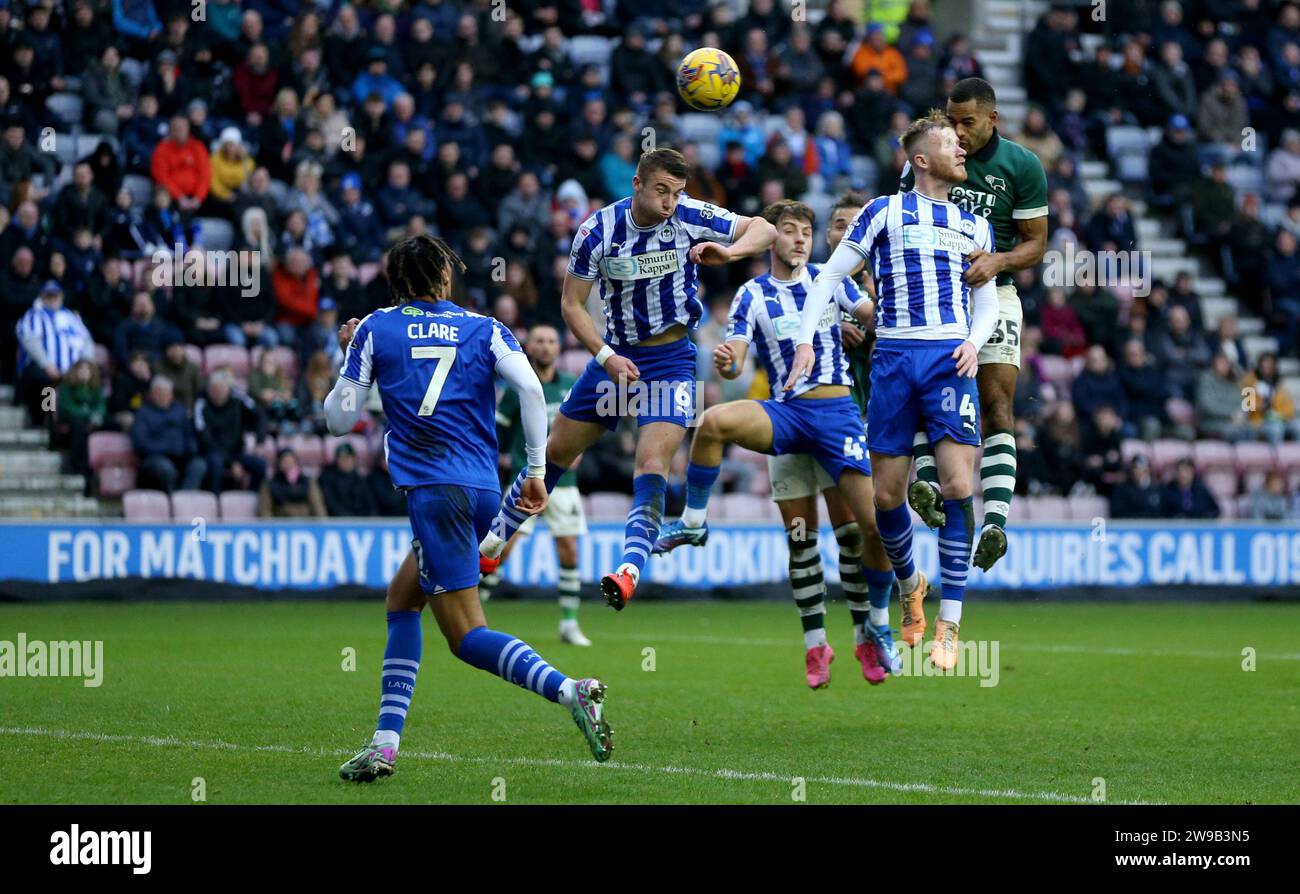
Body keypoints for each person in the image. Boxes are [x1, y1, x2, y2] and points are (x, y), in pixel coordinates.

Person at [322, 234, 613, 781]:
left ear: (396, 283)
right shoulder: (486, 326)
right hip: (482, 491)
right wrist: (531, 470)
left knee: (466, 638)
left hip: (434, 495)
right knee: (402, 600)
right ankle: (384, 743)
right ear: (445, 279)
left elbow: (338, 421)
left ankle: (571, 692)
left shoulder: (373, 328)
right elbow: (530, 390)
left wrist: (348, 356)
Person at [477, 148, 777, 611]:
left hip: (674, 361)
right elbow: (571, 305)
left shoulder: (690, 215)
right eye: (661, 190)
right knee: (555, 453)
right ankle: (492, 544)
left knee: (651, 465)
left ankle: (630, 569)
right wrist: (605, 356)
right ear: (636, 184)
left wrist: (731, 251)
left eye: (676, 193)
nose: (670, 202)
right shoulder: (597, 231)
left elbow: (766, 228)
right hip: (615, 359)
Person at [655, 200, 901, 689]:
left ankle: (872, 627)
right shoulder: (752, 295)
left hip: (835, 417)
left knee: (869, 531)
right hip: (787, 416)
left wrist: (881, 311)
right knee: (719, 431)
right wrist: (726, 363)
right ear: (773, 240)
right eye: (789, 231)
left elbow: (872, 314)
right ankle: (814, 645)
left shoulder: (831, 279)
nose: (799, 240)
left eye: (805, 232)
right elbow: (736, 359)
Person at [787, 109, 998, 670]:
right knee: (885, 499)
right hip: (894, 359)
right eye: (952, 142)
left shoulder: (975, 226)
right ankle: (911, 584)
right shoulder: (883, 213)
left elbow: (988, 299)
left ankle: (949, 624)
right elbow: (830, 276)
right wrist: (806, 341)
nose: (963, 149)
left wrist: (976, 342)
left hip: (950, 357)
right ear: (921, 159)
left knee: (956, 485)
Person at [899, 78, 1049, 573]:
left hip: (995, 293)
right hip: (935, 297)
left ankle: (997, 522)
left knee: (998, 402)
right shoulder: (930, 159)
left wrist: (998, 261)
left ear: (993, 120)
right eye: (951, 120)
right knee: (925, 393)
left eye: (967, 122)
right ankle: (926, 484)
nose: (957, 132)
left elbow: (1037, 244)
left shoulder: (1022, 166)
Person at [480, 324, 593, 647]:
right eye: (539, 340)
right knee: (501, 548)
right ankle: (476, 613)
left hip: (564, 481)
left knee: (569, 549)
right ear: (529, 347)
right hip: (524, 478)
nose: (545, 346)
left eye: (551, 340)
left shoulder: (572, 386)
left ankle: (570, 623)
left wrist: (579, 451)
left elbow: (586, 428)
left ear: (559, 348)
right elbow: (496, 432)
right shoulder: (518, 388)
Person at [14, 281, 95, 427]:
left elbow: (86, 341)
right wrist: (47, 365)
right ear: (42, 297)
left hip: (74, 370)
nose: (52, 299)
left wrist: (86, 366)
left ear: (61, 296)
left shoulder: (71, 317)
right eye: (49, 296)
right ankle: (42, 420)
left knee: (91, 380)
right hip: (46, 369)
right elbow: (29, 341)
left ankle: (75, 423)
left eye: (55, 295)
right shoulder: (33, 315)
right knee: (42, 382)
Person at [130, 375, 206, 493]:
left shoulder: (180, 411)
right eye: (160, 393)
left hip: (181, 456)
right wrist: (167, 448)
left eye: (167, 393)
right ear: (152, 394)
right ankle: (172, 499)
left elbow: (189, 435)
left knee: (199, 465)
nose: (164, 397)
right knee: (165, 468)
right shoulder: (143, 413)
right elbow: (140, 443)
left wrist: (190, 450)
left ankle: (184, 499)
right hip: (155, 458)